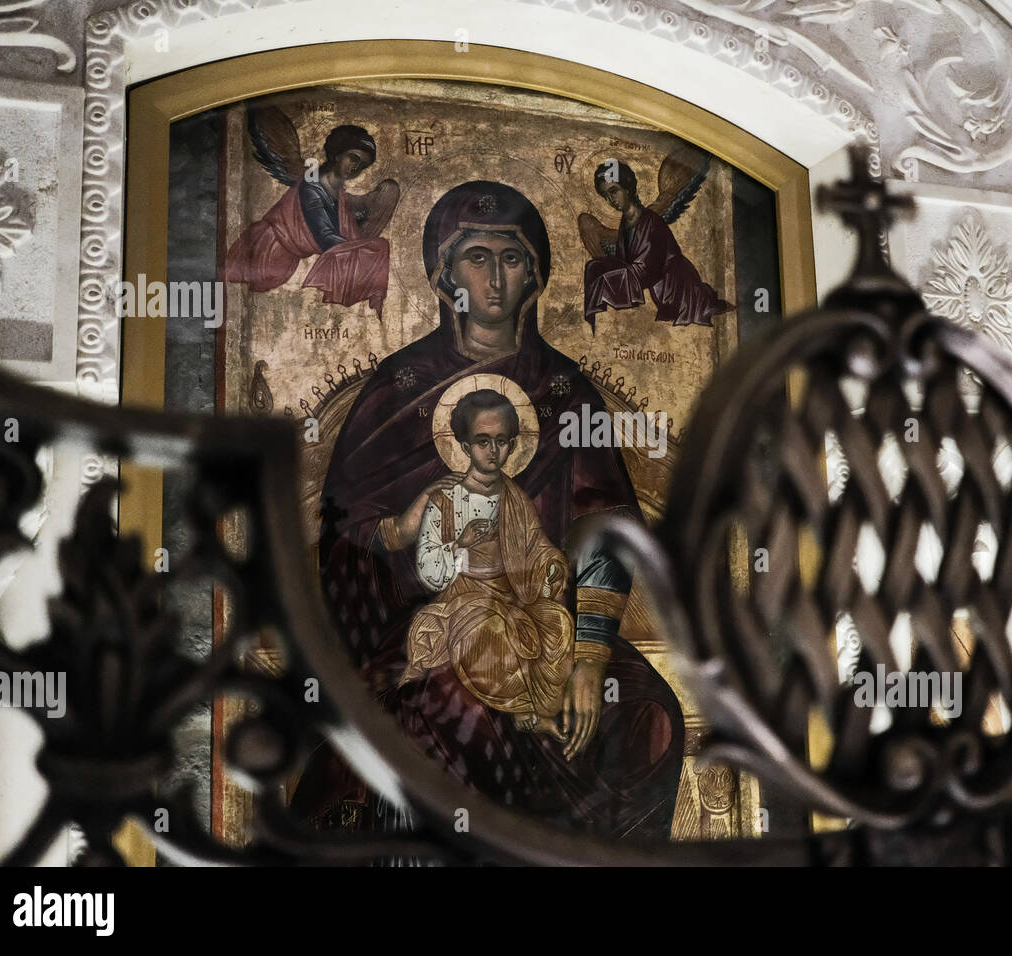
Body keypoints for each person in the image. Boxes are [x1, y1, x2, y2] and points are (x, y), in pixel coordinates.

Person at [291, 181, 684, 836]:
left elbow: (605, 525)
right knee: (454, 702)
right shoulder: (399, 389)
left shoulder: (565, 392)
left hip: (544, 623)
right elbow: (348, 528)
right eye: (477, 257)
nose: (495, 279)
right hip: (432, 622)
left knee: (649, 715)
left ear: (535, 273)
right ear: (445, 273)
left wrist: (589, 658)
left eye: (512, 258)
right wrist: (407, 542)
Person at [392, 388, 574, 741]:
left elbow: (536, 547)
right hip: (463, 598)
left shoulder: (516, 500)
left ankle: (538, 711)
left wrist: (550, 564)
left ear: (513, 444)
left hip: (514, 594)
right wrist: (461, 545)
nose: (493, 451)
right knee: (489, 630)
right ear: (465, 447)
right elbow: (428, 569)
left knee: (559, 625)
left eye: (501, 441)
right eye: (482, 441)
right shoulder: (444, 502)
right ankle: (522, 712)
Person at [225, 124, 399, 317]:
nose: (355, 168)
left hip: (285, 261)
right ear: (337, 154)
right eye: (353, 158)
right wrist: (367, 249)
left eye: (362, 165)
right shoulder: (312, 186)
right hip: (265, 254)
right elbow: (325, 236)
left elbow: (347, 230)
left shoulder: (340, 197)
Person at [583, 159, 732, 330]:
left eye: (614, 191)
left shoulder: (651, 221)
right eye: (606, 196)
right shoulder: (625, 224)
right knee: (593, 267)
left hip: (679, 291)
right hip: (660, 290)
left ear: (627, 187)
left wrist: (606, 281)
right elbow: (624, 261)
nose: (611, 200)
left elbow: (647, 270)